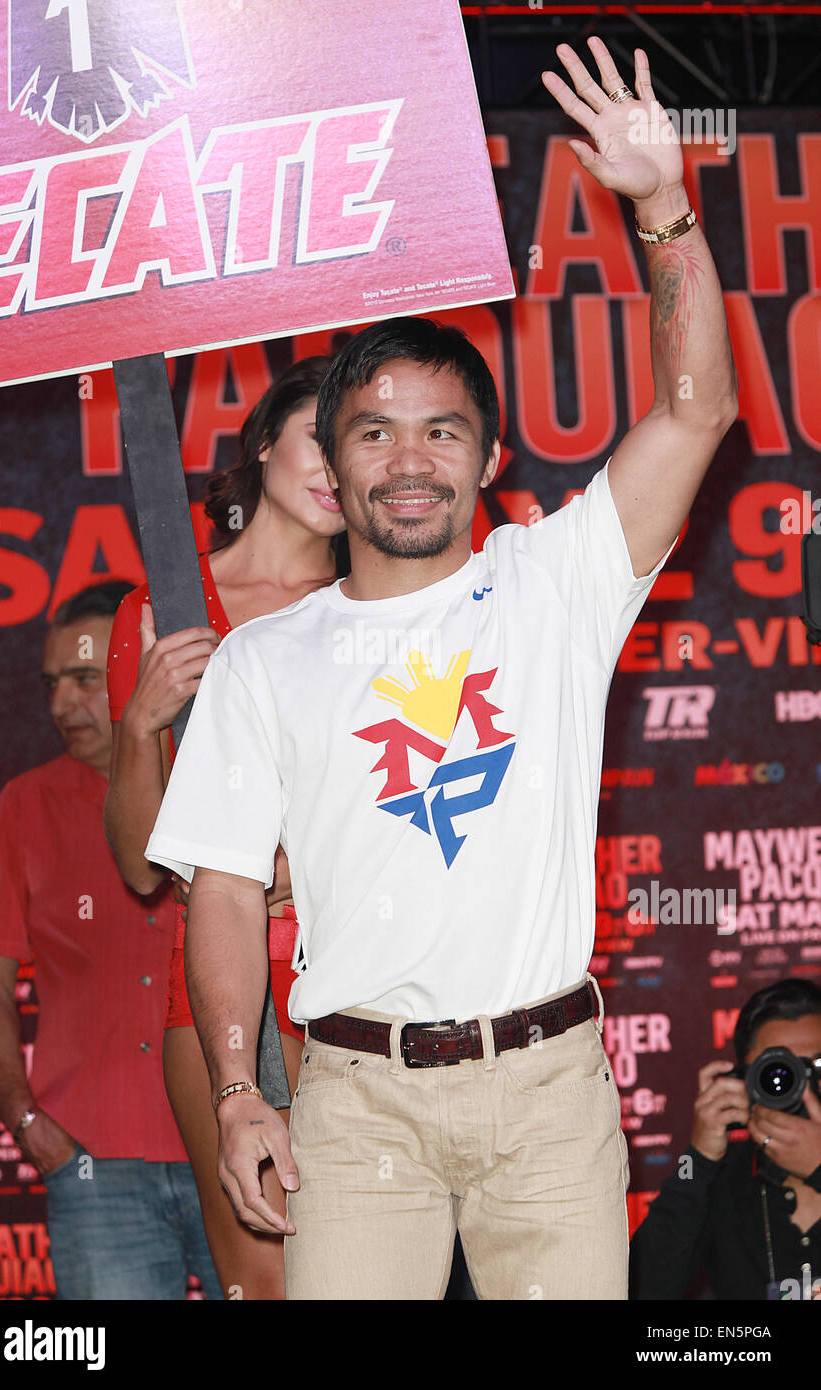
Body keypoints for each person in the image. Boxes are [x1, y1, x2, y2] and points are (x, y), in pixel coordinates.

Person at [145, 38, 738, 1300]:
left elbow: (695, 411)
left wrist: (660, 206)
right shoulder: (264, 661)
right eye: (375, 431)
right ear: (335, 461)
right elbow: (225, 890)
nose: (408, 460)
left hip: (547, 1101)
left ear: (485, 456)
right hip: (355, 1110)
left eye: (441, 431)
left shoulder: (553, 580)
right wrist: (243, 1092)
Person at [104, 356, 347, 1300]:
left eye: (359, 438)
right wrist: (138, 725)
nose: (338, 463)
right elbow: (136, 865)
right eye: (318, 436)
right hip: (223, 988)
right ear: (262, 443)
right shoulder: (161, 612)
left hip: (370, 980)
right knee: (269, 1280)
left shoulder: (385, 610)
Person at [0, 581, 223, 1300]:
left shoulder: (226, 783)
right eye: (51, 683)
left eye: (83, 678)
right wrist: (28, 1127)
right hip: (90, 1169)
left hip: (238, 1148)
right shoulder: (21, 808)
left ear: (136, 664)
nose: (59, 705)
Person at [630, 978, 821, 1300]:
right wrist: (699, 1157)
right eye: (781, 1071)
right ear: (746, 1079)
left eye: (818, 1066)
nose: (804, 1088)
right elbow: (641, 1288)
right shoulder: (722, 1177)